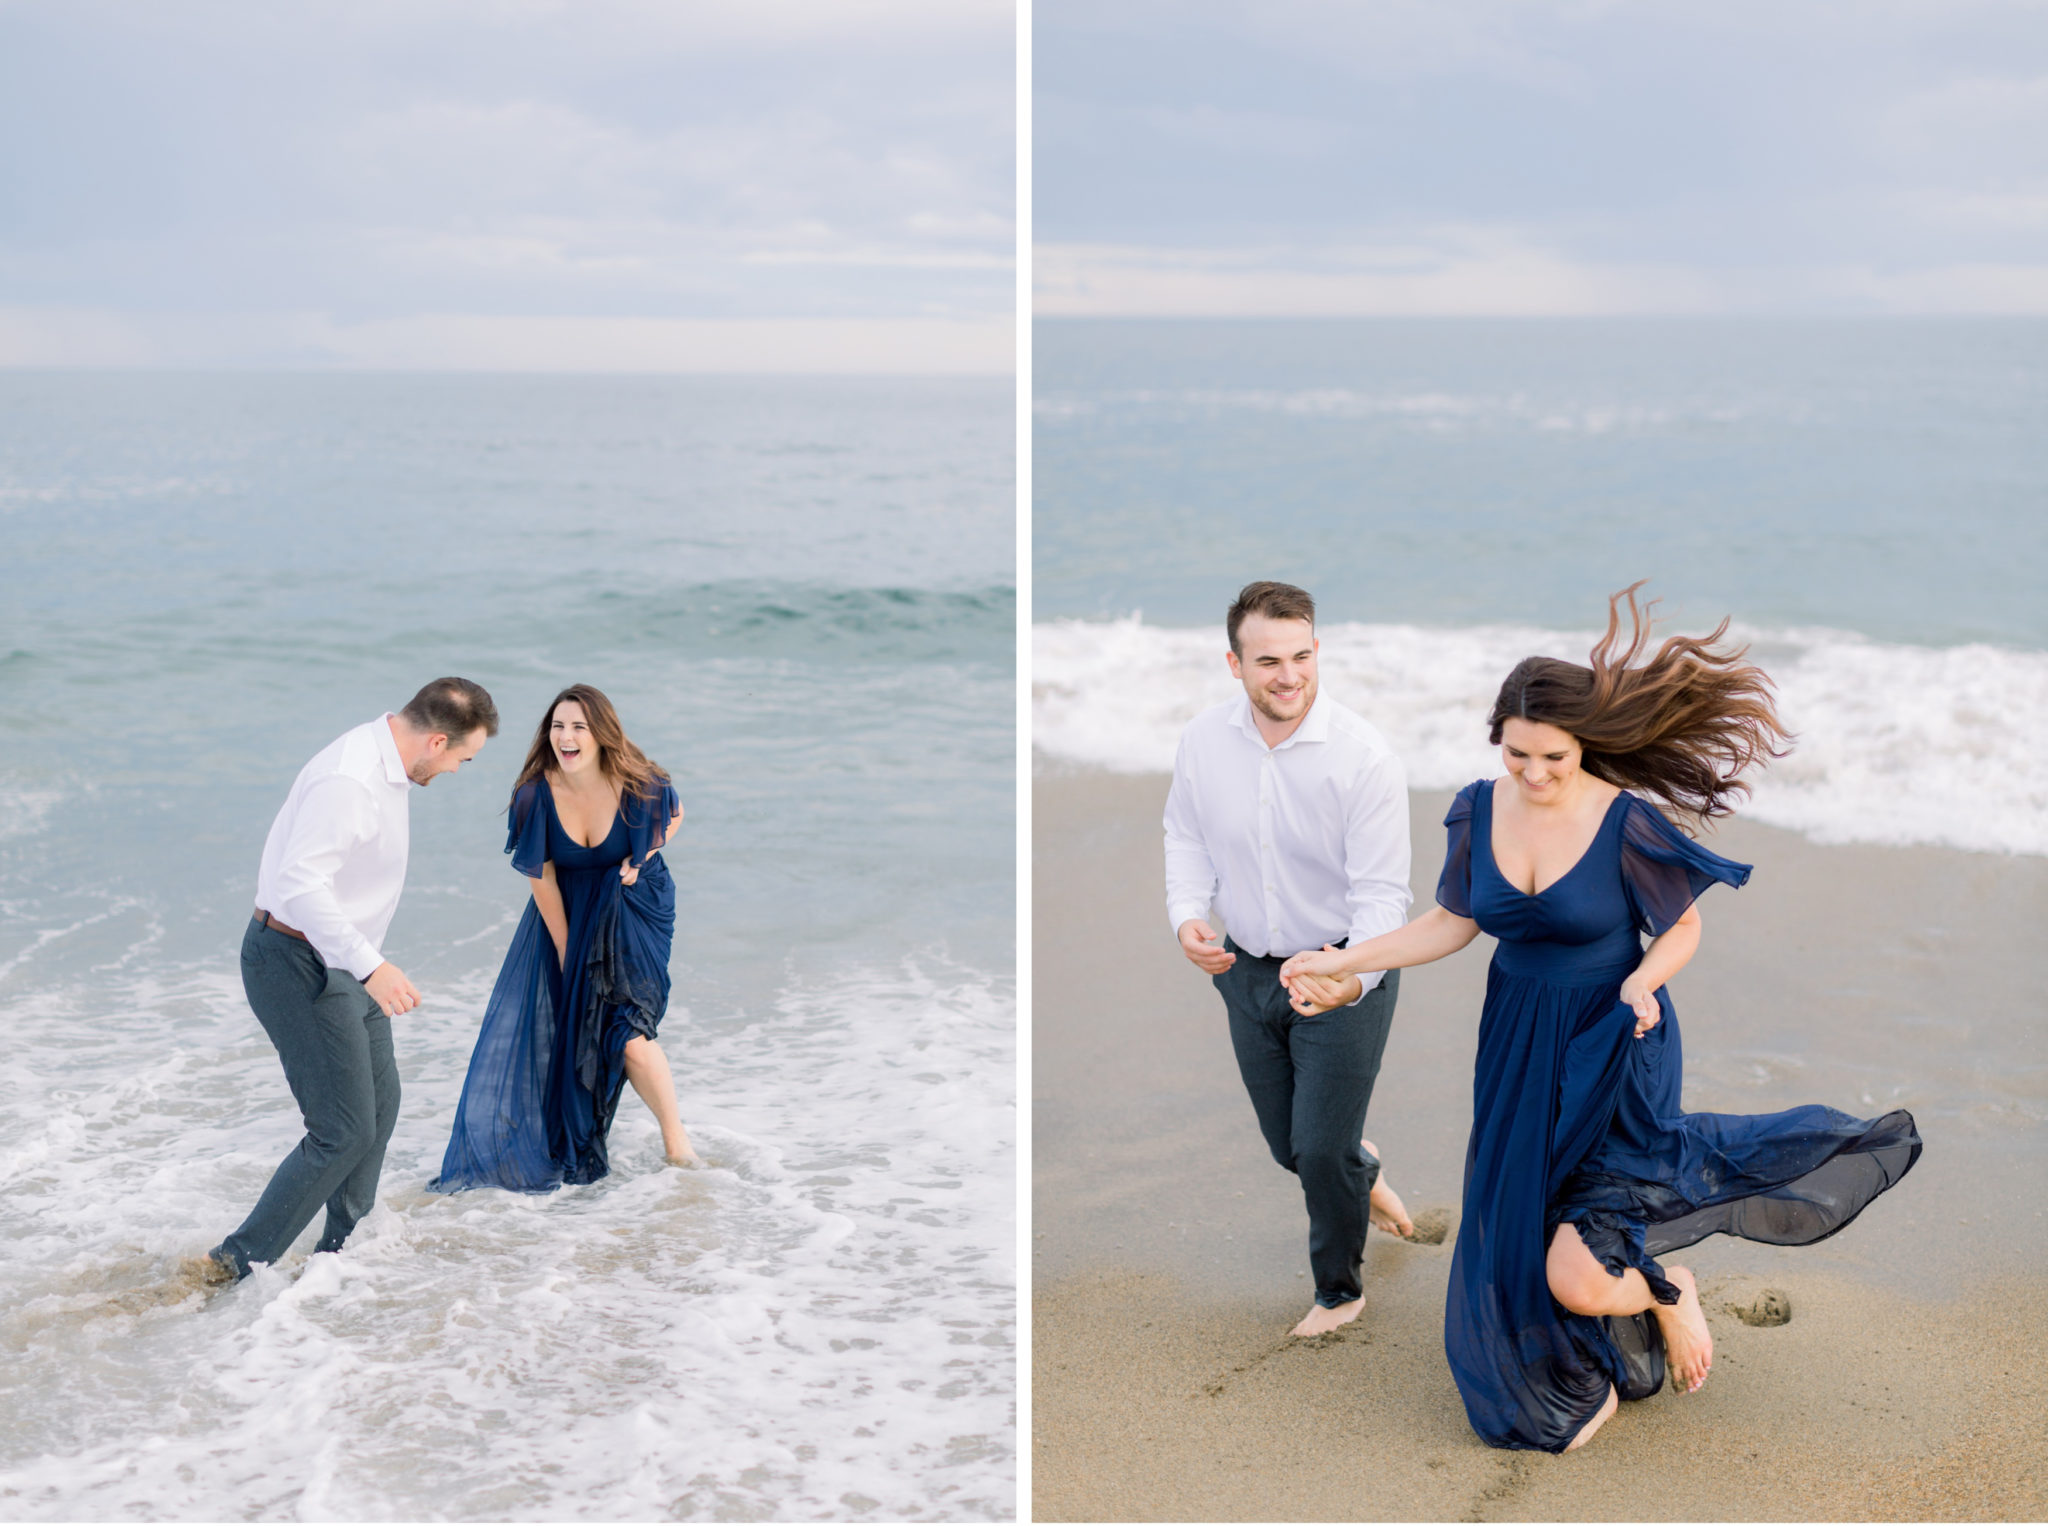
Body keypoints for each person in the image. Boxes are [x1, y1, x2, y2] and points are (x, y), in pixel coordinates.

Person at [1281, 585, 1922, 1451]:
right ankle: (1623, 1306)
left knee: (1581, 1274)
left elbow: (1683, 928)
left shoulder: (1624, 821)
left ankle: (1671, 1291)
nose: (1535, 774)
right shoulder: (1478, 807)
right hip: (1517, 1043)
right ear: (1496, 742)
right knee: (1524, 1239)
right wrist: (1343, 960)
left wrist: (1643, 983)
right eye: (1518, 755)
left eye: (1553, 756)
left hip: (1616, 1042)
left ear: (1584, 744)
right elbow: (1452, 924)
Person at [1164, 580, 1420, 1339]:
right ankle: (1355, 1167)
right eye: (1268, 659)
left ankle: (1339, 1291)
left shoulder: (1364, 757)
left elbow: (1383, 894)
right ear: (1235, 663)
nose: (1289, 676)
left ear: (1318, 652)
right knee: (1292, 1148)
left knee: (1317, 1149)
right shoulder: (1203, 741)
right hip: (1243, 971)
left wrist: (1352, 976)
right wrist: (1187, 916)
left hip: (1346, 968)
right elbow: (1184, 834)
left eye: (1302, 656)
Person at [188, 679, 499, 1285]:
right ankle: (231, 1266)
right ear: (437, 740)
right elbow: (301, 886)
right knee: (341, 1131)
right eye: (464, 757)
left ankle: (341, 1254)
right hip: (295, 958)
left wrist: (364, 962)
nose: (460, 769)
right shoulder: (350, 780)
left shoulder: (388, 759)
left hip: (342, 959)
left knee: (380, 1108)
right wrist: (373, 966)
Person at [432, 683, 694, 1193]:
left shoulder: (639, 782)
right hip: (565, 914)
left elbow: (675, 814)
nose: (566, 737)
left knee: (629, 1034)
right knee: (570, 1029)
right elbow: (541, 877)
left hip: (632, 911)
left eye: (578, 726)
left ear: (601, 734)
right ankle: (587, 1139)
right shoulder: (535, 794)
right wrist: (566, 947)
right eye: (557, 726)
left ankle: (677, 1142)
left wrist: (641, 856)